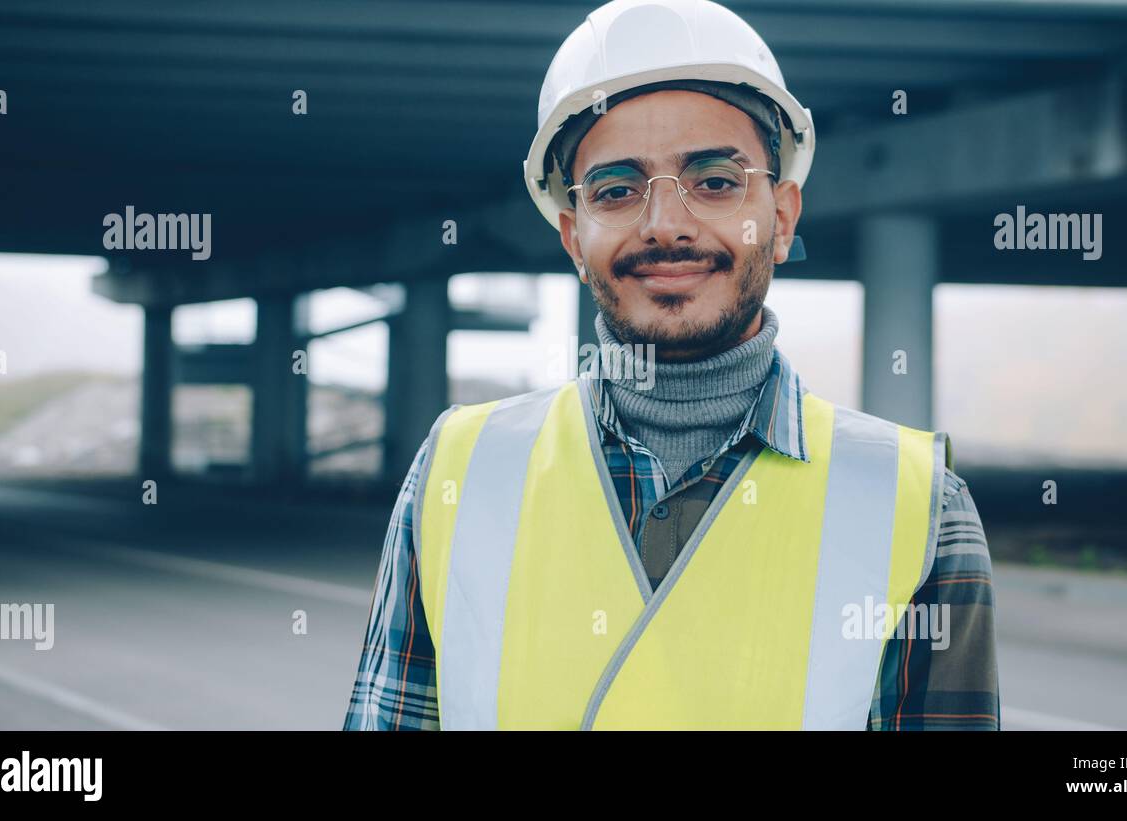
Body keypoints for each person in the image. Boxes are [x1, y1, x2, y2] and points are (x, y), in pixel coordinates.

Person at [345, 0, 998, 730]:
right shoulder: (454, 475)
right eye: (617, 191)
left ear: (781, 219)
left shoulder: (919, 506)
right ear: (572, 237)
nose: (666, 225)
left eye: (715, 181)